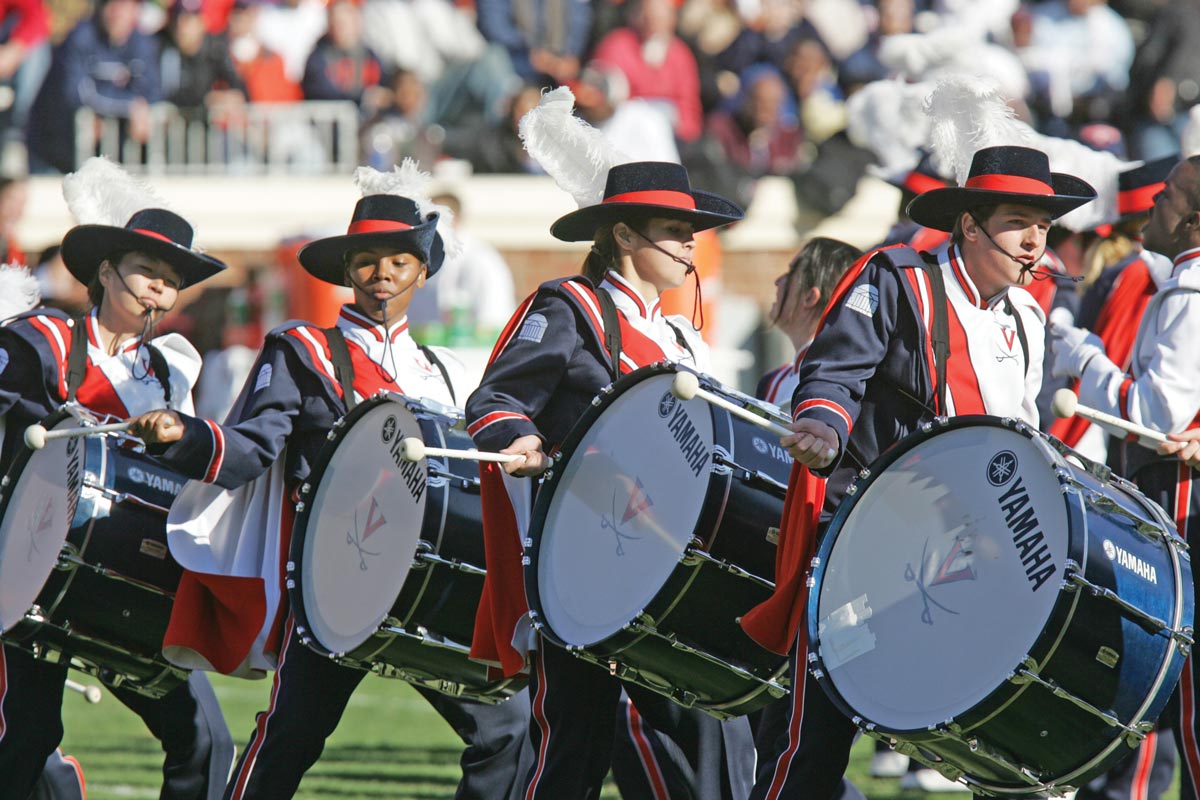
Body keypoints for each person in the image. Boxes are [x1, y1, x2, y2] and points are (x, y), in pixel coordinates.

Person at [130, 164, 533, 800]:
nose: (382, 275)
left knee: (508, 731)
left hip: (426, 584)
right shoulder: (303, 350)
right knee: (290, 739)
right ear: (347, 272)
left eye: (399, 262)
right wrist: (188, 434)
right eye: (367, 261)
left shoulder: (447, 373)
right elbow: (252, 447)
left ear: (422, 273)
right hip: (334, 579)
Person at [742, 144, 1095, 800]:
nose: (1035, 242)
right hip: (868, 546)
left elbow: (1020, 441)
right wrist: (823, 423)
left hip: (972, 559)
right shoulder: (898, 278)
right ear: (969, 224)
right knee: (808, 747)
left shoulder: (1029, 316)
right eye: (1020, 222)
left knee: (1007, 750)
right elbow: (834, 370)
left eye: (1045, 227)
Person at [465, 159, 756, 798]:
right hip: (584, 563)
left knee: (709, 732)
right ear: (624, 237)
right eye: (675, 231)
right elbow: (495, 399)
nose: (689, 245)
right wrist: (519, 437)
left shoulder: (681, 339)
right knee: (573, 750)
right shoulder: (573, 307)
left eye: (692, 232)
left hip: (666, 566)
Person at [0, 158, 234, 800]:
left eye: (169, 282)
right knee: (23, 738)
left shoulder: (170, 371)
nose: (157, 292)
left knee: (205, 737)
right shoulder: (40, 339)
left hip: (122, 574)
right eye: (145, 274)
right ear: (105, 272)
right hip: (22, 578)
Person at [1049, 154, 1200, 797]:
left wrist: (1083, 357)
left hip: (1181, 501)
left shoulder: (1190, 290)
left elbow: (1156, 418)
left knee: (1179, 695)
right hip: (1173, 490)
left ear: (1193, 219)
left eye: (1165, 198)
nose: (1151, 208)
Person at [26, 0, 163, 173]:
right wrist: (128, 107)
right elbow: (78, 93)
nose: (117, 13)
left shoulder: (142, 43)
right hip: (56, 148)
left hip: (116, 154)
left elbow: (151, 92)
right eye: (111, 5)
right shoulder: (80, 37)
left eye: (124, 6)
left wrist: (132, 111)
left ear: (136, 10)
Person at [757, 236, 862, 410]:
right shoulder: (773, 382)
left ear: (810, 297)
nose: (778, 281)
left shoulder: (849, 382)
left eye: (790, 273)